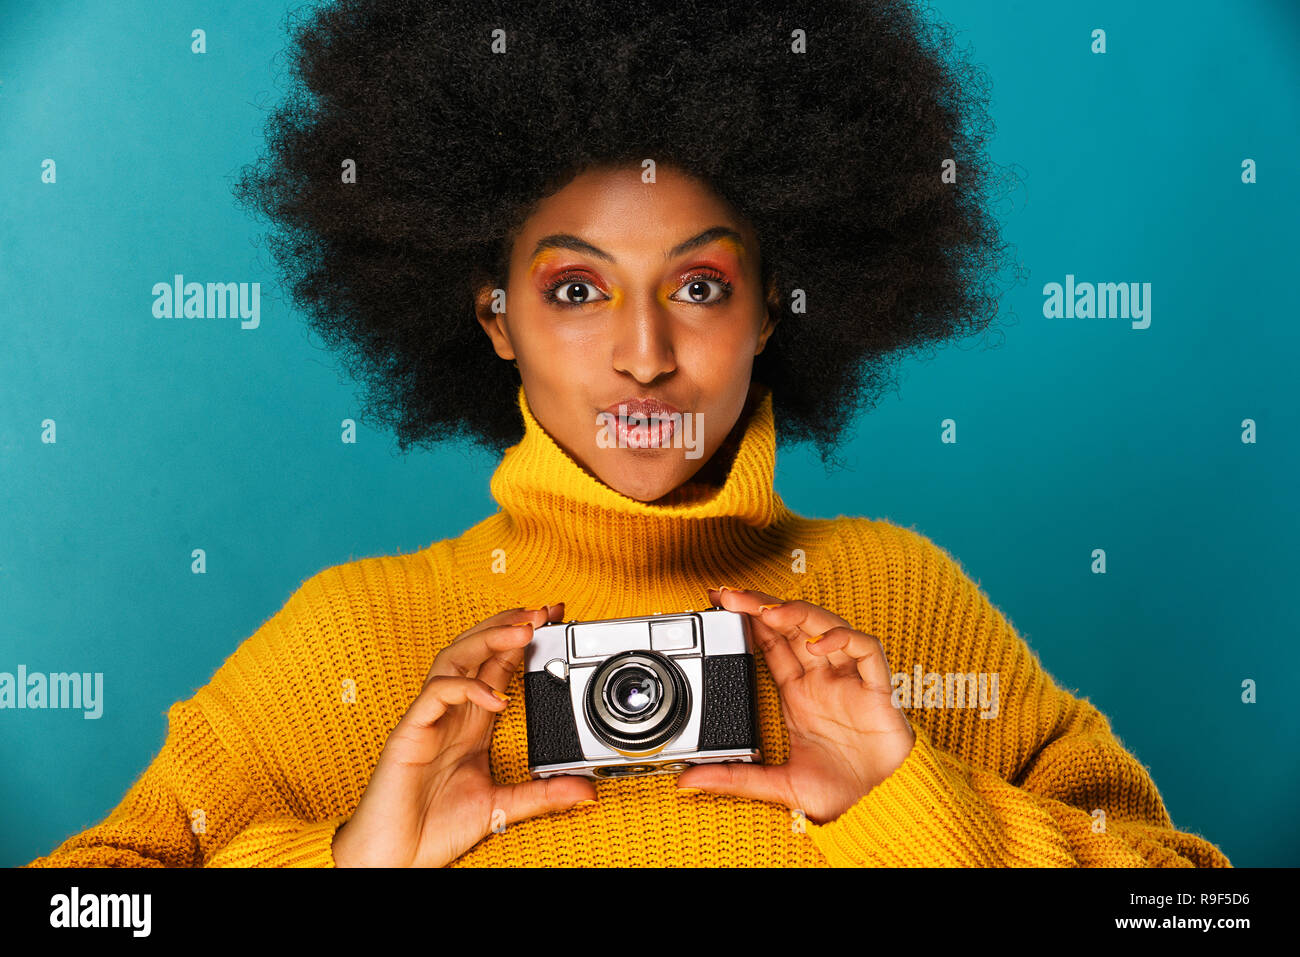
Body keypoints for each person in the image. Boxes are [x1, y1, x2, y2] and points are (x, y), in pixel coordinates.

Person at [27, 0, 1228, 867]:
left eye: (699, 287)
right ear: (493, 317)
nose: (645, 353)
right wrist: (354, 863)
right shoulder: (351, 634)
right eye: (575, 289)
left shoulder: (899, 601)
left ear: (774, 309)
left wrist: (913, 810)